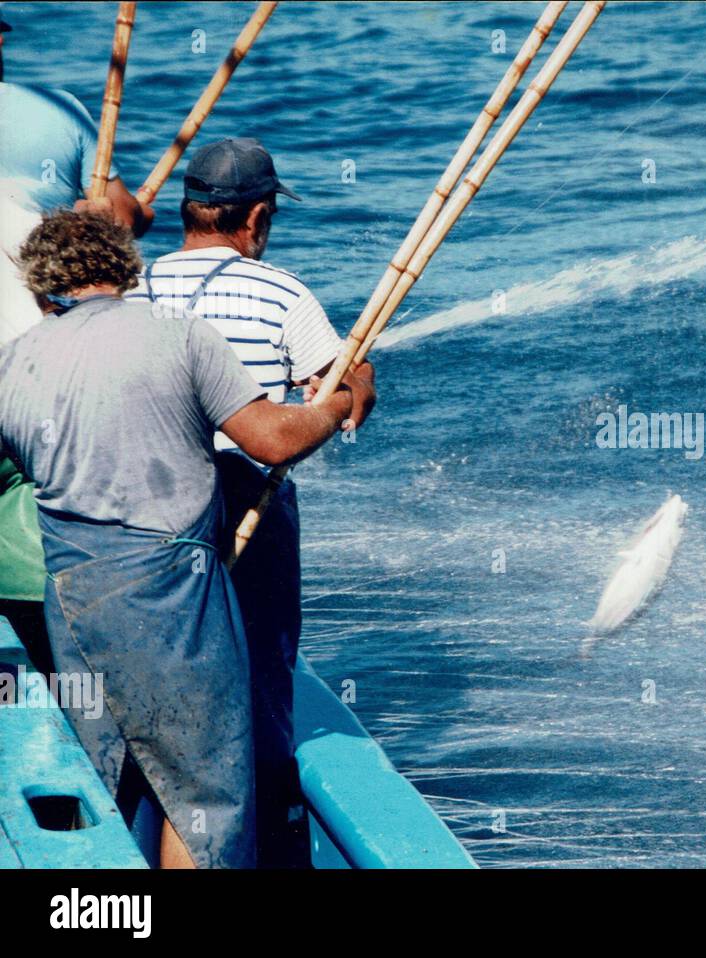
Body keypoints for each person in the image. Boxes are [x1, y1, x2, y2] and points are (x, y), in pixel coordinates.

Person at [0, 210, 375, 868]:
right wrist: (337, 404)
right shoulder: (180, 335)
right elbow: (273, 438)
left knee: (104, 787)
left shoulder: (14, 361)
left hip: (71, 601)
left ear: (40, 288)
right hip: (175, 602)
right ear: (126, 268)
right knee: (205, 799)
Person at [125, 137, 376, 867]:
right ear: (257, 218)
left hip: (143, 511)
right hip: (246, 502)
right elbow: (339, 391)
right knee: (260, 667)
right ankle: (263, 832)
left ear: (186, 212)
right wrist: (356, 380)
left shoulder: (134, 287)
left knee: (163, 669)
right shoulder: (281, 292)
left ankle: (143, 825)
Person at [0, 8, 154, 678]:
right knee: (48, 509)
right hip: (43, 361)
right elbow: (121, 221)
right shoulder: (53, 112)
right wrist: (116, 212)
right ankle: (64, 660)